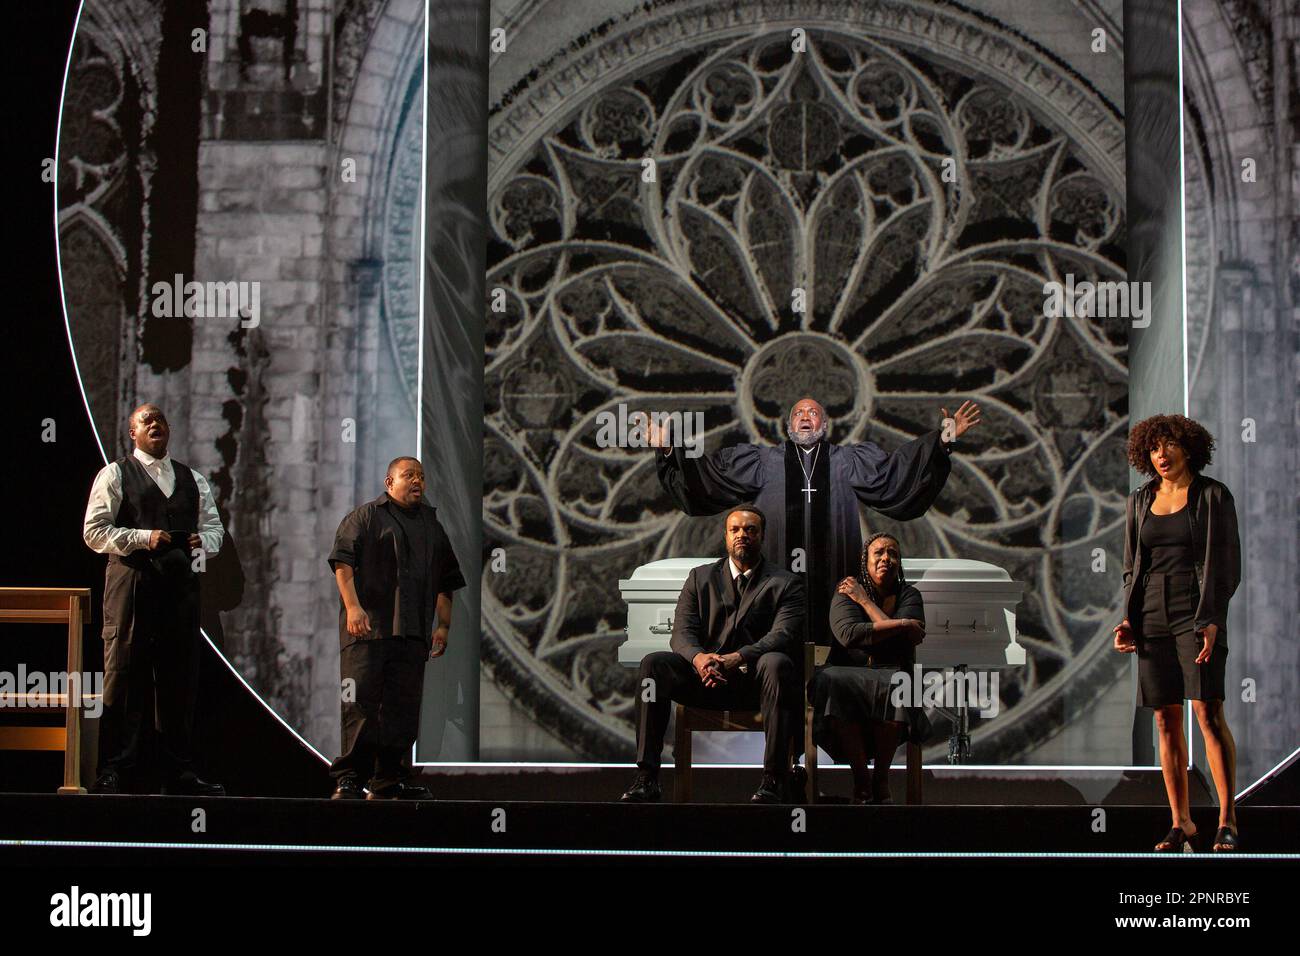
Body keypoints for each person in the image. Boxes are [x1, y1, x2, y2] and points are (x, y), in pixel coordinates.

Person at [653, 397, 978, 644]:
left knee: (835, 655)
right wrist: (670, 449)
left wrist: (942, 441)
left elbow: (896, 477)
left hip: (835, 581)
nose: (805, 417)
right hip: (774, 586)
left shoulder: (849, 461)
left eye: (812, 412)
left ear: (825, 423)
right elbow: (710, 478)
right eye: (798, 413)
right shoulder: (762, 462)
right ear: (789, 425)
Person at [82, 404, 226, 795]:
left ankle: (178, 772)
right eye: (146, 420)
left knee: (179, 681)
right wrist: (143, 537)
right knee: (124, 678)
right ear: (133, 433)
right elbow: (94, 532)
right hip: (132, 588)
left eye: (160, 418)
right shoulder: (115, 474)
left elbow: (214, 530)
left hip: (179, 593)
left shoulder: (191, 479)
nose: (154, 423)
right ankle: (114, 768)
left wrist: (203, 542)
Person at [1113, 415, 1241, 852]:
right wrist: (1129, 619)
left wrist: (1212, 619)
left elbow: (1225, 567)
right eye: (1153, 449)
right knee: (1165, 718)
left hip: (1195, 611)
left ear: (1188, 448)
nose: (1161, 455)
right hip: (1150, 614)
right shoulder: (1139, 500)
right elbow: (1132, 567)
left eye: (1168, 446)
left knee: (1207, 712)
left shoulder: (1213, 496)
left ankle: (1226, 820)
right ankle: (1181, 822)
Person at [621, 506, 807, 804]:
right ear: (725, 536)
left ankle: (774, 778)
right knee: (653, 665)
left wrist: (738, 658)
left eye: (750, 530)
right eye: (735, 530)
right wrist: (699, 659)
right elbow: (681, 633)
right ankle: (647, 777)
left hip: (754, 685)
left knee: (777, 662)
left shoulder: (785, 583)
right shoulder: (700, 578)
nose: (742, 536)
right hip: (703, 680)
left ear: (762, 536)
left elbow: (782, 635)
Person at [327, 457, 466, 800]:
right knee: (361, 705)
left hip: (412, 634)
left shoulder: (432, 526)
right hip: (368, 631)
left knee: (403, 709)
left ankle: (389, 779)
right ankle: (350, 778)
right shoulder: (366, 516)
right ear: (390, 483)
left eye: (421, 475)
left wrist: (443, 626)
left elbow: (446, 581)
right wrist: (353, 606)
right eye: (409, 475)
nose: (417, 481)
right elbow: (343, 562)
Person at [811, 532, 928, 804]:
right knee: (832, 682)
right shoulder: (847, 589)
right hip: (847, 672)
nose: (886, 557)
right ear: (866, 560)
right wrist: (900, 624)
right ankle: (862, 778)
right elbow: (850, 634)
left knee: (898, 683)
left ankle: (881, 780)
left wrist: (865, 602)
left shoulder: (909, 594)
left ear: (900, 563)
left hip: (892, 673)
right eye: (879, 552)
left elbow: (911, 636)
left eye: (893, 553)